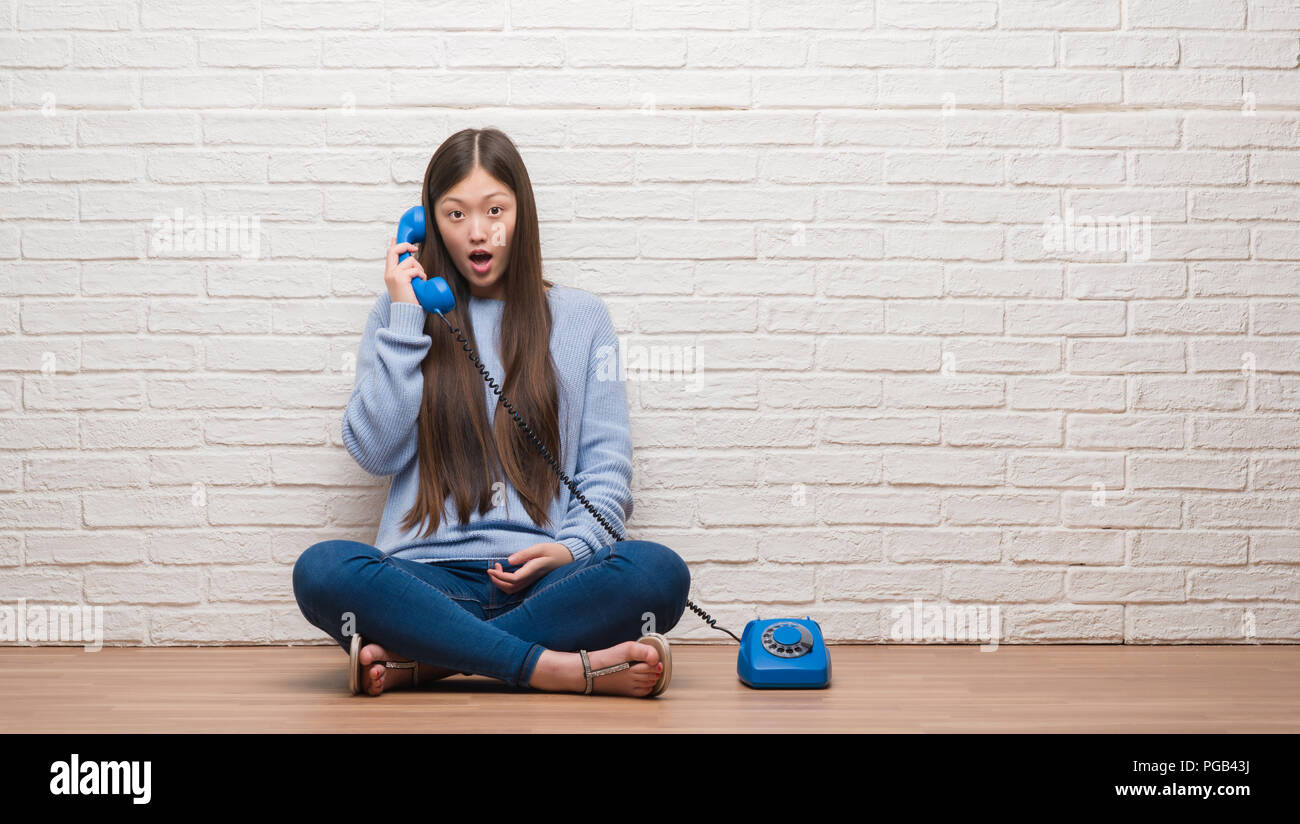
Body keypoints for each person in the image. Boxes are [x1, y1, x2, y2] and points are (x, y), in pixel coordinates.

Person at [292, 128, 692, 697]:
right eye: (455, 214)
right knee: (324, 570)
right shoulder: (400, 312)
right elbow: (374, 452)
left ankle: (430, 661)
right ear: (428, 224)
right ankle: (553, 668)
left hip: (546, 583)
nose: (477, 232)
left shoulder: (582, 317)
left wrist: (568, 549)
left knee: (658, 573)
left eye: (494, 210)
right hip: (424, 582)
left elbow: (606, 469)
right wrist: (407, 320)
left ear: (520, 214)